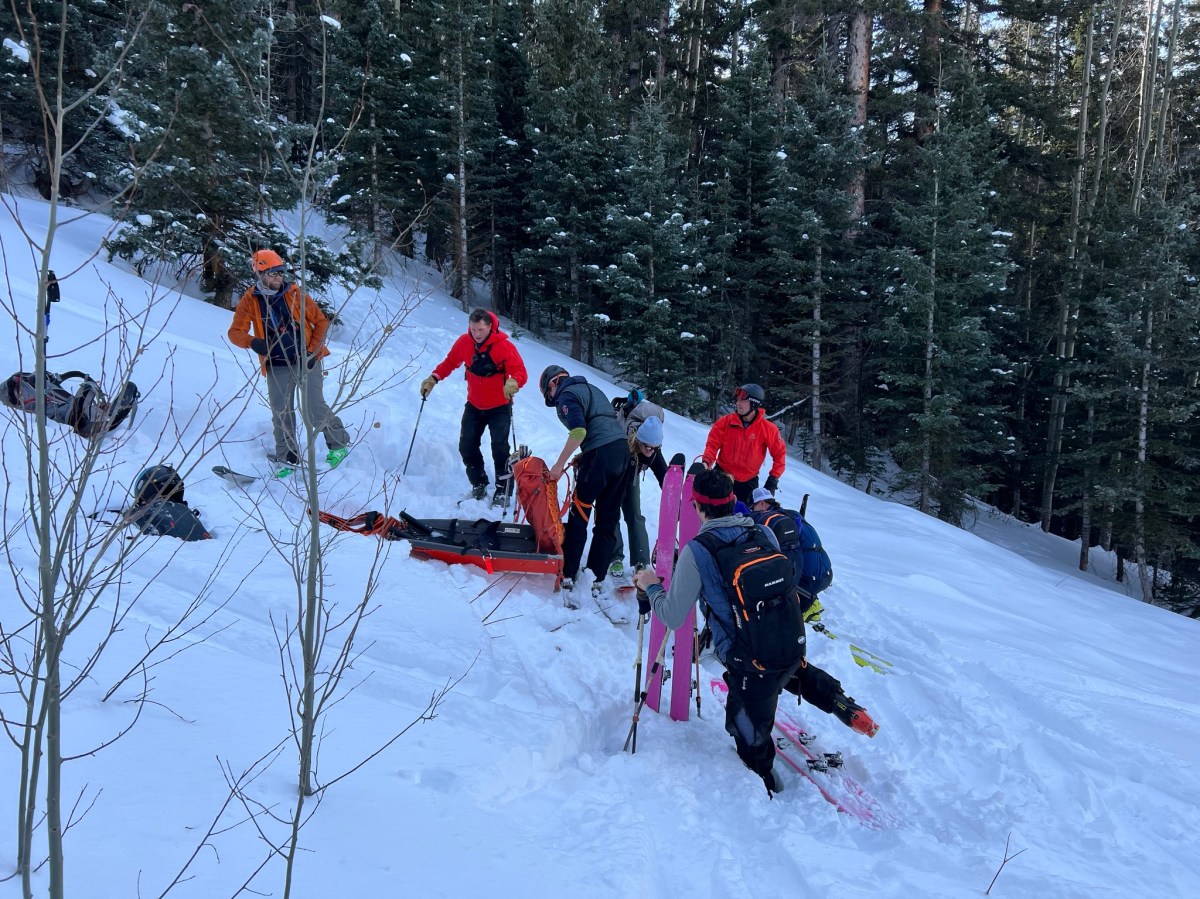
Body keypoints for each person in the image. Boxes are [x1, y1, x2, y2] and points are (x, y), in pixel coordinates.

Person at [634, 469, 876, 797]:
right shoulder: (762, 533)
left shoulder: (698, 550)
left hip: (748, 661)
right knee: (791, 671)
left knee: (748, 731)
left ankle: (766, 786)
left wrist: (650, 586)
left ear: (697, 507)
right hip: (790, 642)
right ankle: (841, 703)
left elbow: (673, 616)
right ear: (734, 501)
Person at [228, 250, 349, 468]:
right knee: (281, 412)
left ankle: (338, 444)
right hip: (276, 364)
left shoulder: (295, 294)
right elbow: (235, 332)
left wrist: (312, 353)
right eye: (273, 273)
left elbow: (321, 322)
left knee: (314, 406)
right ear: (261, 273)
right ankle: (288, 458)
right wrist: (253, 342)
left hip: (307, 359)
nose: (279, 277)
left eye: (281, 272)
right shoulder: (250, 300)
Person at [540, 364, 632, 596]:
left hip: (600, 454)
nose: (553, 399)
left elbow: (579, 431)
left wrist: (559, 465)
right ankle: (596, 575)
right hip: (621, 452)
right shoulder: (592, 389)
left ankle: (569, 572)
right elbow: (603, 424)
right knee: (608, 517)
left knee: (580, 512)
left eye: (549, 394)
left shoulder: (566, 395)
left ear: (552, 384)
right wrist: (586, 453)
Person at [421, 308, 527, 504]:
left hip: (500, 406)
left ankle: (503, 489)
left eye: (480, 330)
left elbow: (520, 371)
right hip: (474, 405)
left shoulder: (503, 346)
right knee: (466, 445)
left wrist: (513, 382)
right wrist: (433, 378)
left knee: (500, 449)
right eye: (473, 329)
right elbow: (450, 362)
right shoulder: (464, 342)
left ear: (490, 327)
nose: (476, 334)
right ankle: (478, 483)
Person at [609, 389, 668, 577]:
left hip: (632, 477)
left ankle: (641, 562)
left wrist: (675, 501)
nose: (651, 451)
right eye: (648, 447)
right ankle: (615, 558)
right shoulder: (623, 443)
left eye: (655, 448)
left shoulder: (653, 448)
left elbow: (664, 476)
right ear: (640, 440)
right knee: (611, 516)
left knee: (635, 515)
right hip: (612, 476)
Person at [701, 383, 787, 505]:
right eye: (737, 399)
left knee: (742, 517)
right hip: (721, 477)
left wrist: (773, 479)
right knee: (712, 513)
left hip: (747, 483)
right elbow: (712, 445)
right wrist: (706, 463)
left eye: (743, 400)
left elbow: (780, 456)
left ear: (754, 403)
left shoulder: (768, 429)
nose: (738, 403)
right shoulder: (725, 422)